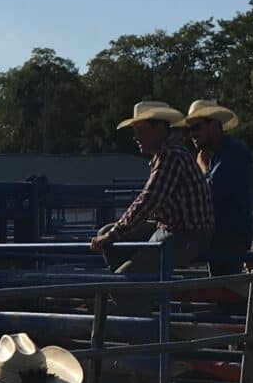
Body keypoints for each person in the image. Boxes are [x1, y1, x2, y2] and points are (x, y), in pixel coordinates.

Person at [90, 102, 212, 273]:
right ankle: (139, 291)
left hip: (187, 236)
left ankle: (131, 290)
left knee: (124, 275)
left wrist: (112, 235)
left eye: (140, 130)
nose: (136, 137)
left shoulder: (170, 155)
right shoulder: (168, 152)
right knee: (107, 231)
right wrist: (112, 233)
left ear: (158, 128)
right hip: (173, 229)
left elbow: (148, 200)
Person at [184, 100, 253, 274]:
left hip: (228, 236)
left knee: (225, 288)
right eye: (190, 129)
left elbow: (208, 192)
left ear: (214, 125)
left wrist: (201, 167)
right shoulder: (223, 153)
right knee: (221, 286)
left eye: (197, 128)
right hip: (222, 235)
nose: (193, 135)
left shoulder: (233, 153)